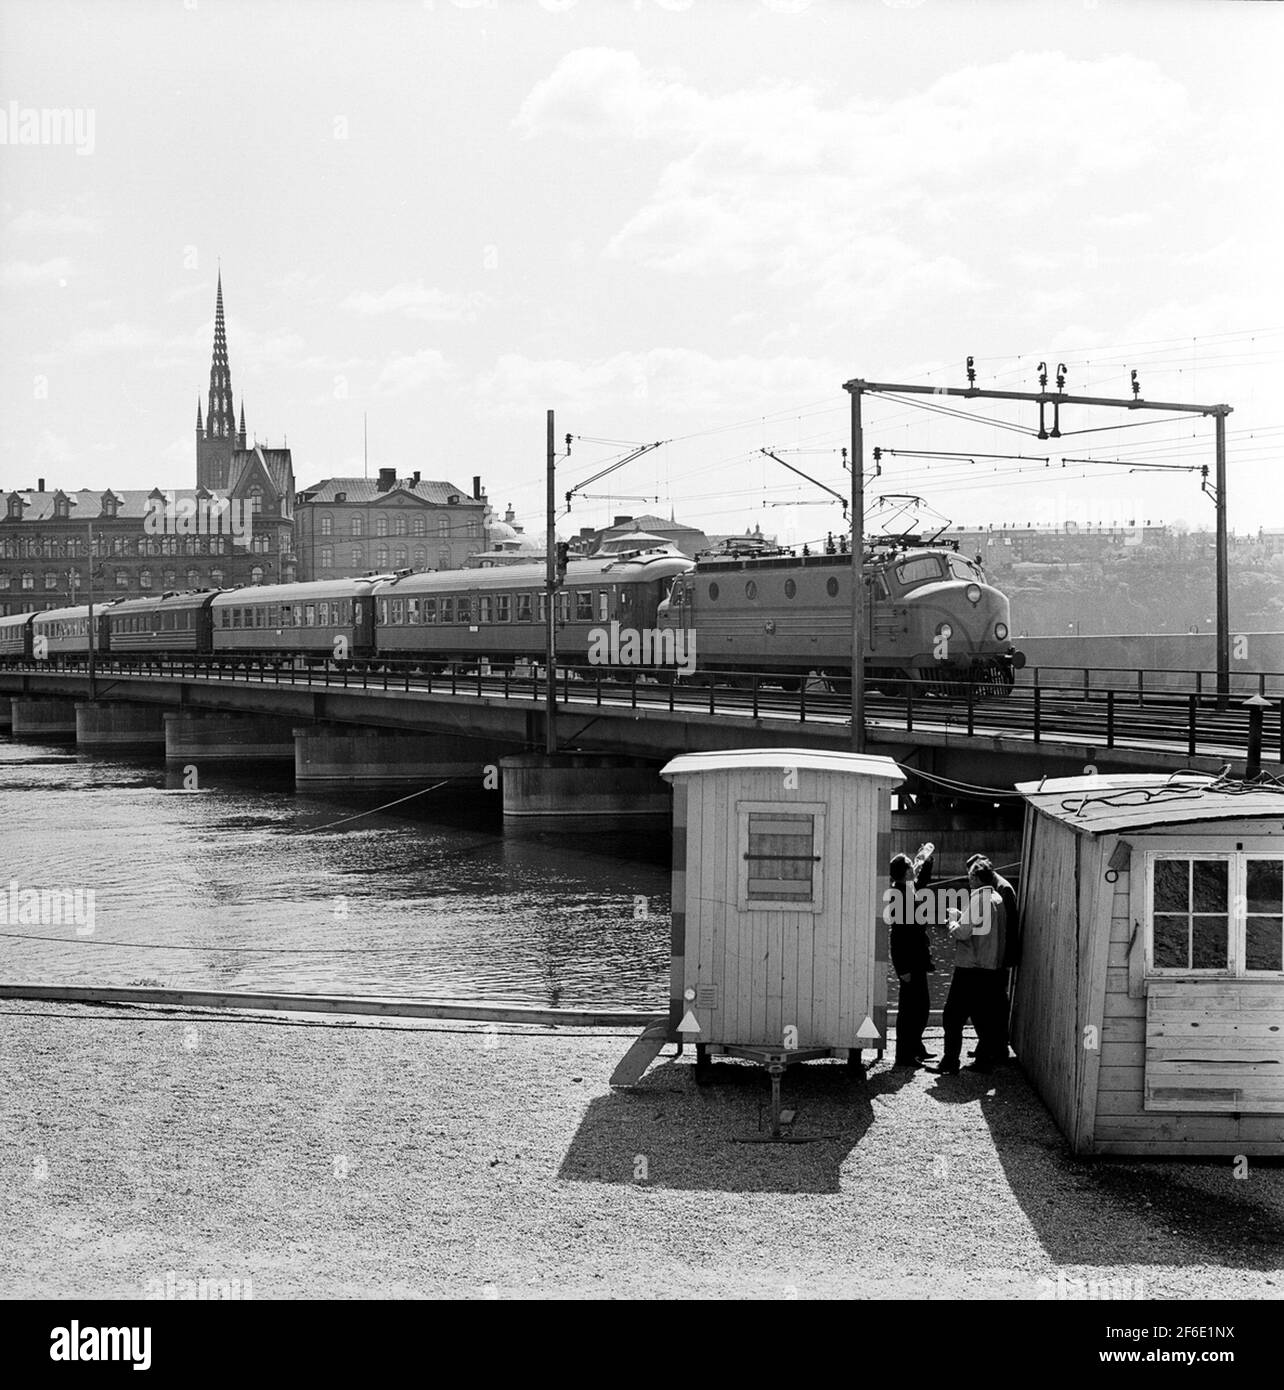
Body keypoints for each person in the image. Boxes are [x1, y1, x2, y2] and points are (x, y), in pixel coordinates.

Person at [927, 859, 1007, 1075]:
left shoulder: (979, 899)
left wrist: (952, 922)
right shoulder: (996, 898)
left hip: (971, 967)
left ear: (978, 878)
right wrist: (963, 917)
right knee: (982, 1015)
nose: (968, 879)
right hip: (989, 966)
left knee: (952, 1016)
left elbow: (963, 933)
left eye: (971, 876)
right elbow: (983, 928)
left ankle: (950, 1061)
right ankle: (984, 1059)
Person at [966, 854, 1019, 1064]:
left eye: (971, 875)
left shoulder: (1002, 890)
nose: (969, 880)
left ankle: (996, 1048)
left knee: (991, 1004)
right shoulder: (997, 888)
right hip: (992, 955)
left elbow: (1008, 926)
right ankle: (988, 1045)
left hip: (997, 957)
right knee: (988, 1004)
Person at [887, 842, 935, 1067]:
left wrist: (927, 860)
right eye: (910, 866)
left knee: (921, 1006)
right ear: (905, 872)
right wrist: (902, 969)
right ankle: (904, 1056)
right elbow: (896, 937)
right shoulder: (899, 894)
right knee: (909, 1010)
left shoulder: (908, 888)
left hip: (917, 958)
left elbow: (922, 881)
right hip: (909, 962)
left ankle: (916, 1047)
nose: (913, 868)